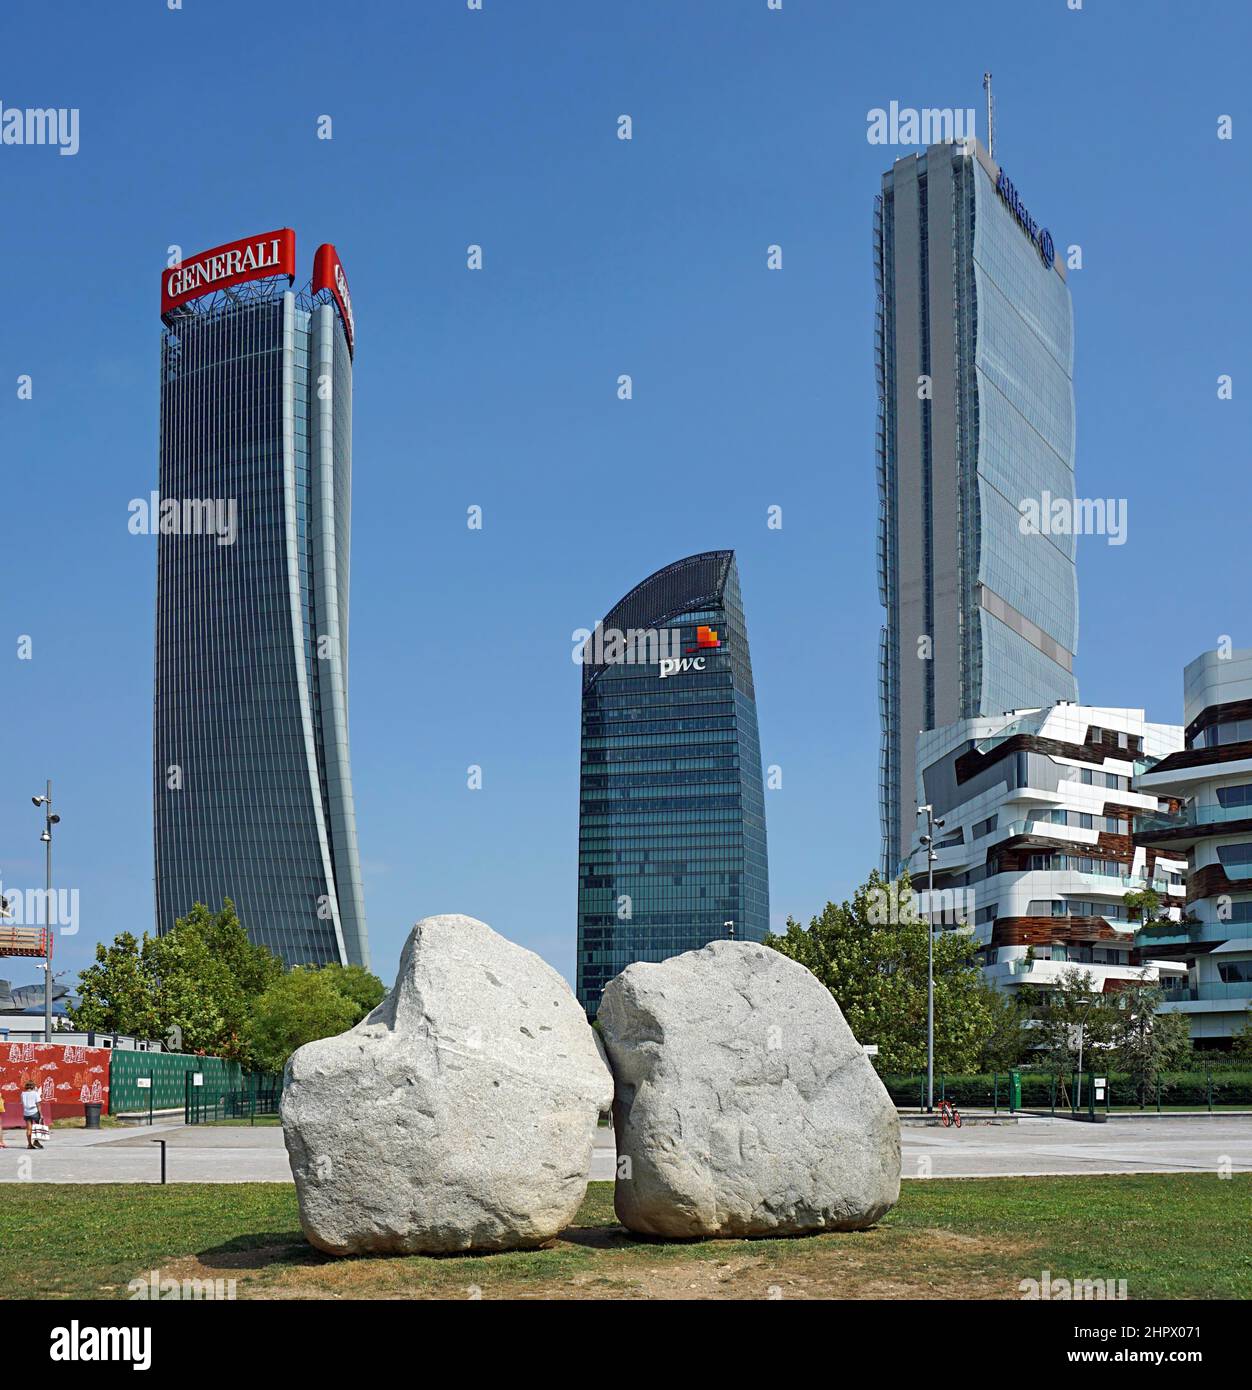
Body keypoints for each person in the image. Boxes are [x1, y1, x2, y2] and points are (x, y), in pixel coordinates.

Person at [21, 1080, 44, 1150]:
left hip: (26, 1112)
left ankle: (29, 1144)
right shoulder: (35, 1094)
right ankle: (36, 1141)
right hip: (34, 1112)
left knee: (29, 1129)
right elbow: (38, 1105)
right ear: (33, 1087)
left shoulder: (23, 1094)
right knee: (38, 1126)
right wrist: (41, 1114)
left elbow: (23, 1103)